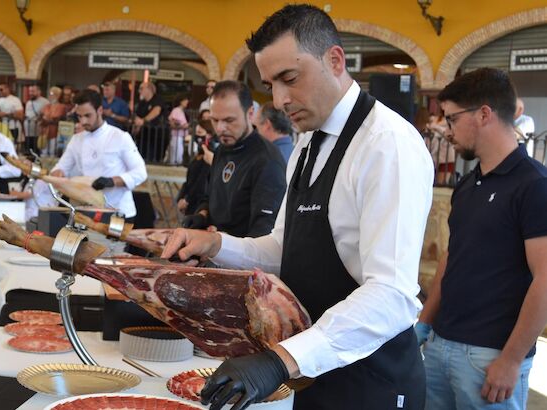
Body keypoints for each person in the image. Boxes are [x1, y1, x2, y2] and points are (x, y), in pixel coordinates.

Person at [161, 5, 434, 409]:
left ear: (335, 60)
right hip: (311, 372)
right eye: (270, 84)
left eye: (290, 78)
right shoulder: (308, 143)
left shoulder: (386, 144)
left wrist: (279, 361)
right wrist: (215, 244)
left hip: (369, 381)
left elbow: (391, 294)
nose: (280, 99)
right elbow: (284, 249)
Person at [416, 68, 547, 410]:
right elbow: (451, 258)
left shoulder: (534, 184)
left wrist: (512, 360)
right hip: (441, 344)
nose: (446, 131)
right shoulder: (468, 183)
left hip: (490, 357)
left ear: (484, 114)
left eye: (452, 119)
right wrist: (424, 325)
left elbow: (546, 278)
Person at [182, 81, 286, 238]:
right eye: (215, 120)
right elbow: (209, 196)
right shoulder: (221, 151)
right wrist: (202, 215)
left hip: (242, 258)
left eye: (229, 120)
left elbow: (264, 231)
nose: (220, 129)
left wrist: (223, 246)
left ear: (250, 114)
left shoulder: (266, 160)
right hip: (215, 252)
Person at [50, 89, 147, 219]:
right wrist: (58, 175)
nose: (83, 121)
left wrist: (111, 181)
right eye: (79, 116)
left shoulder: (119, 137)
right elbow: (61, 167)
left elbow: (140, 173)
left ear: (100, 110)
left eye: (88, 115)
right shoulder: (77, 139)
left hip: (118, 211)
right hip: (88, 210)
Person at [177, 120, 213, 215]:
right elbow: (189, 180)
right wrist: (181, 198)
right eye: (196, 133)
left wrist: (187, 200)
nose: (197, 136)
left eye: (200, 133)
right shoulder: (198, 154)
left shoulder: (209, 155)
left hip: (198, 203)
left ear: (209, 135)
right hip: (190, 202)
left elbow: (201, 181)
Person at [133, 81, 165, 162]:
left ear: (149, 89)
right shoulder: (141, 103)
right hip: (143, 135)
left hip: (156, 135)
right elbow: (138, 116)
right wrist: (137, 126)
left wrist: (143, 121)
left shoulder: (158, 99)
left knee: (153, 157)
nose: (139, 91)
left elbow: (156, 111)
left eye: (141, 88)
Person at [38, 86, 68, 155]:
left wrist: (48, 120)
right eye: (49, 94)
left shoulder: (62, 107)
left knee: (52, 152)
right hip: (44, 132)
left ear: (57, 96)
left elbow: (57, 118)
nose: (50, 96)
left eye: (51, 94)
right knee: (43, 152)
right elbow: (41, 116)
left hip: (55, 133)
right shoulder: (46, 106)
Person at [24, 84, 49, 152]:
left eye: (33, 91)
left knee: (36, 151)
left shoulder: (45, 102)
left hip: (38, 132)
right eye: (30, 91)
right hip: (28, 131)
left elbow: (47, 115)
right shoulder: (28, 102)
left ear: (39, 91)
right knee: (28, 151)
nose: (31, 93)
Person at [168, 95, 190, 165]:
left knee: (179, 152)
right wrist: (183, 126)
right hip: (176, 135)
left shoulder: (181, 111)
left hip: (180, 136)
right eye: (185, 100)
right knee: (176, 153)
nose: (187, 102)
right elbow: (173, 123)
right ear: (181, 101)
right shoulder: (176, 110)